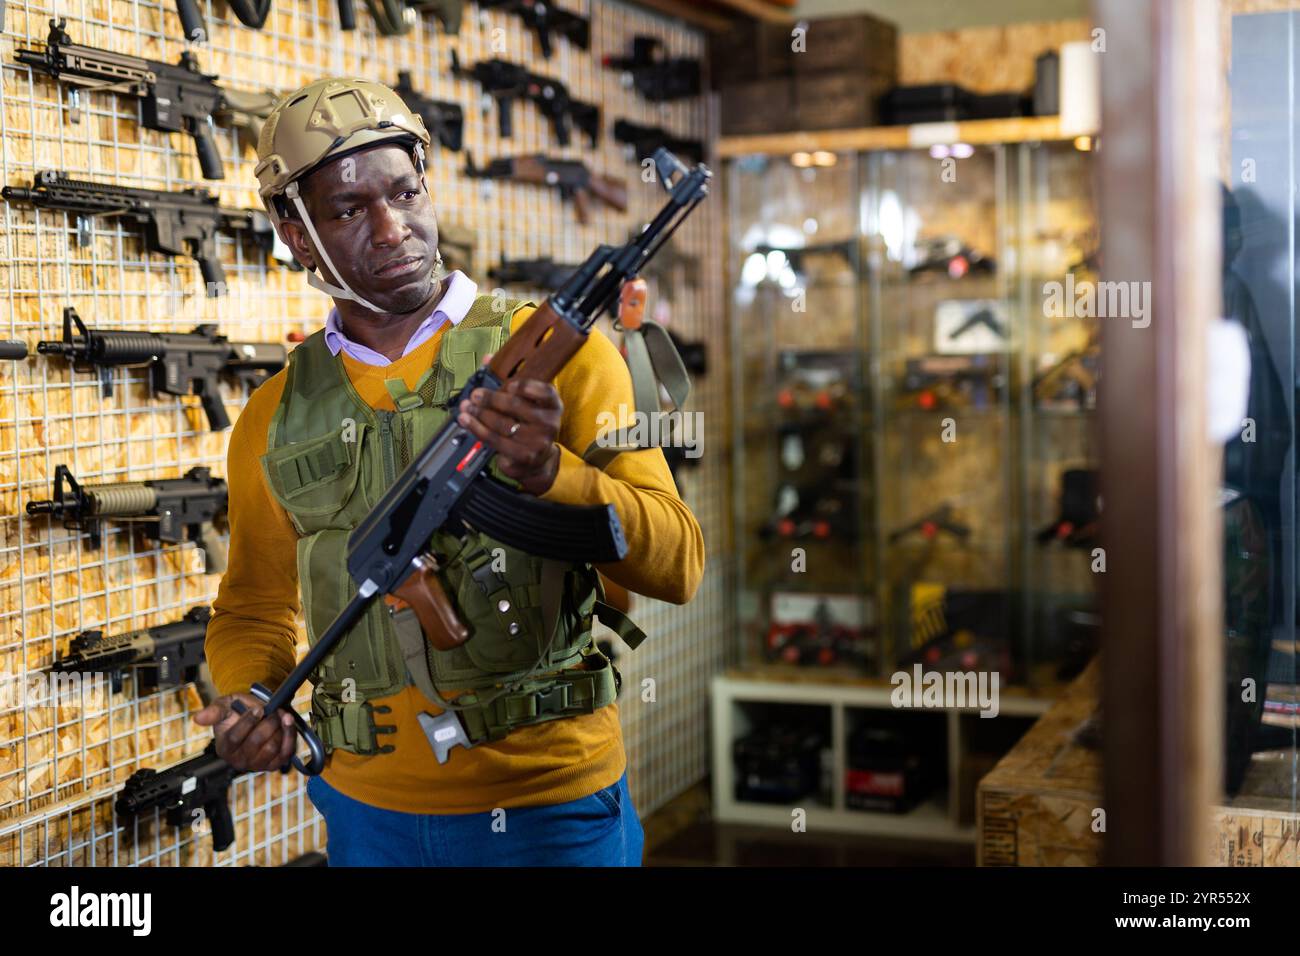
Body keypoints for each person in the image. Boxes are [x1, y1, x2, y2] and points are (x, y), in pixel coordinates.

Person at [194, 77, 705, 866]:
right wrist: (254, 697)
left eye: (406, 192)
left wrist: (550, 474)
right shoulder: (271, 415)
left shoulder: (560, 357)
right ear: (295, 233)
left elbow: (678, 564)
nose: (394, 227)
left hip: (550, 811)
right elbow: (254, 607)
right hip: (365, 816)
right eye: (350, 209)